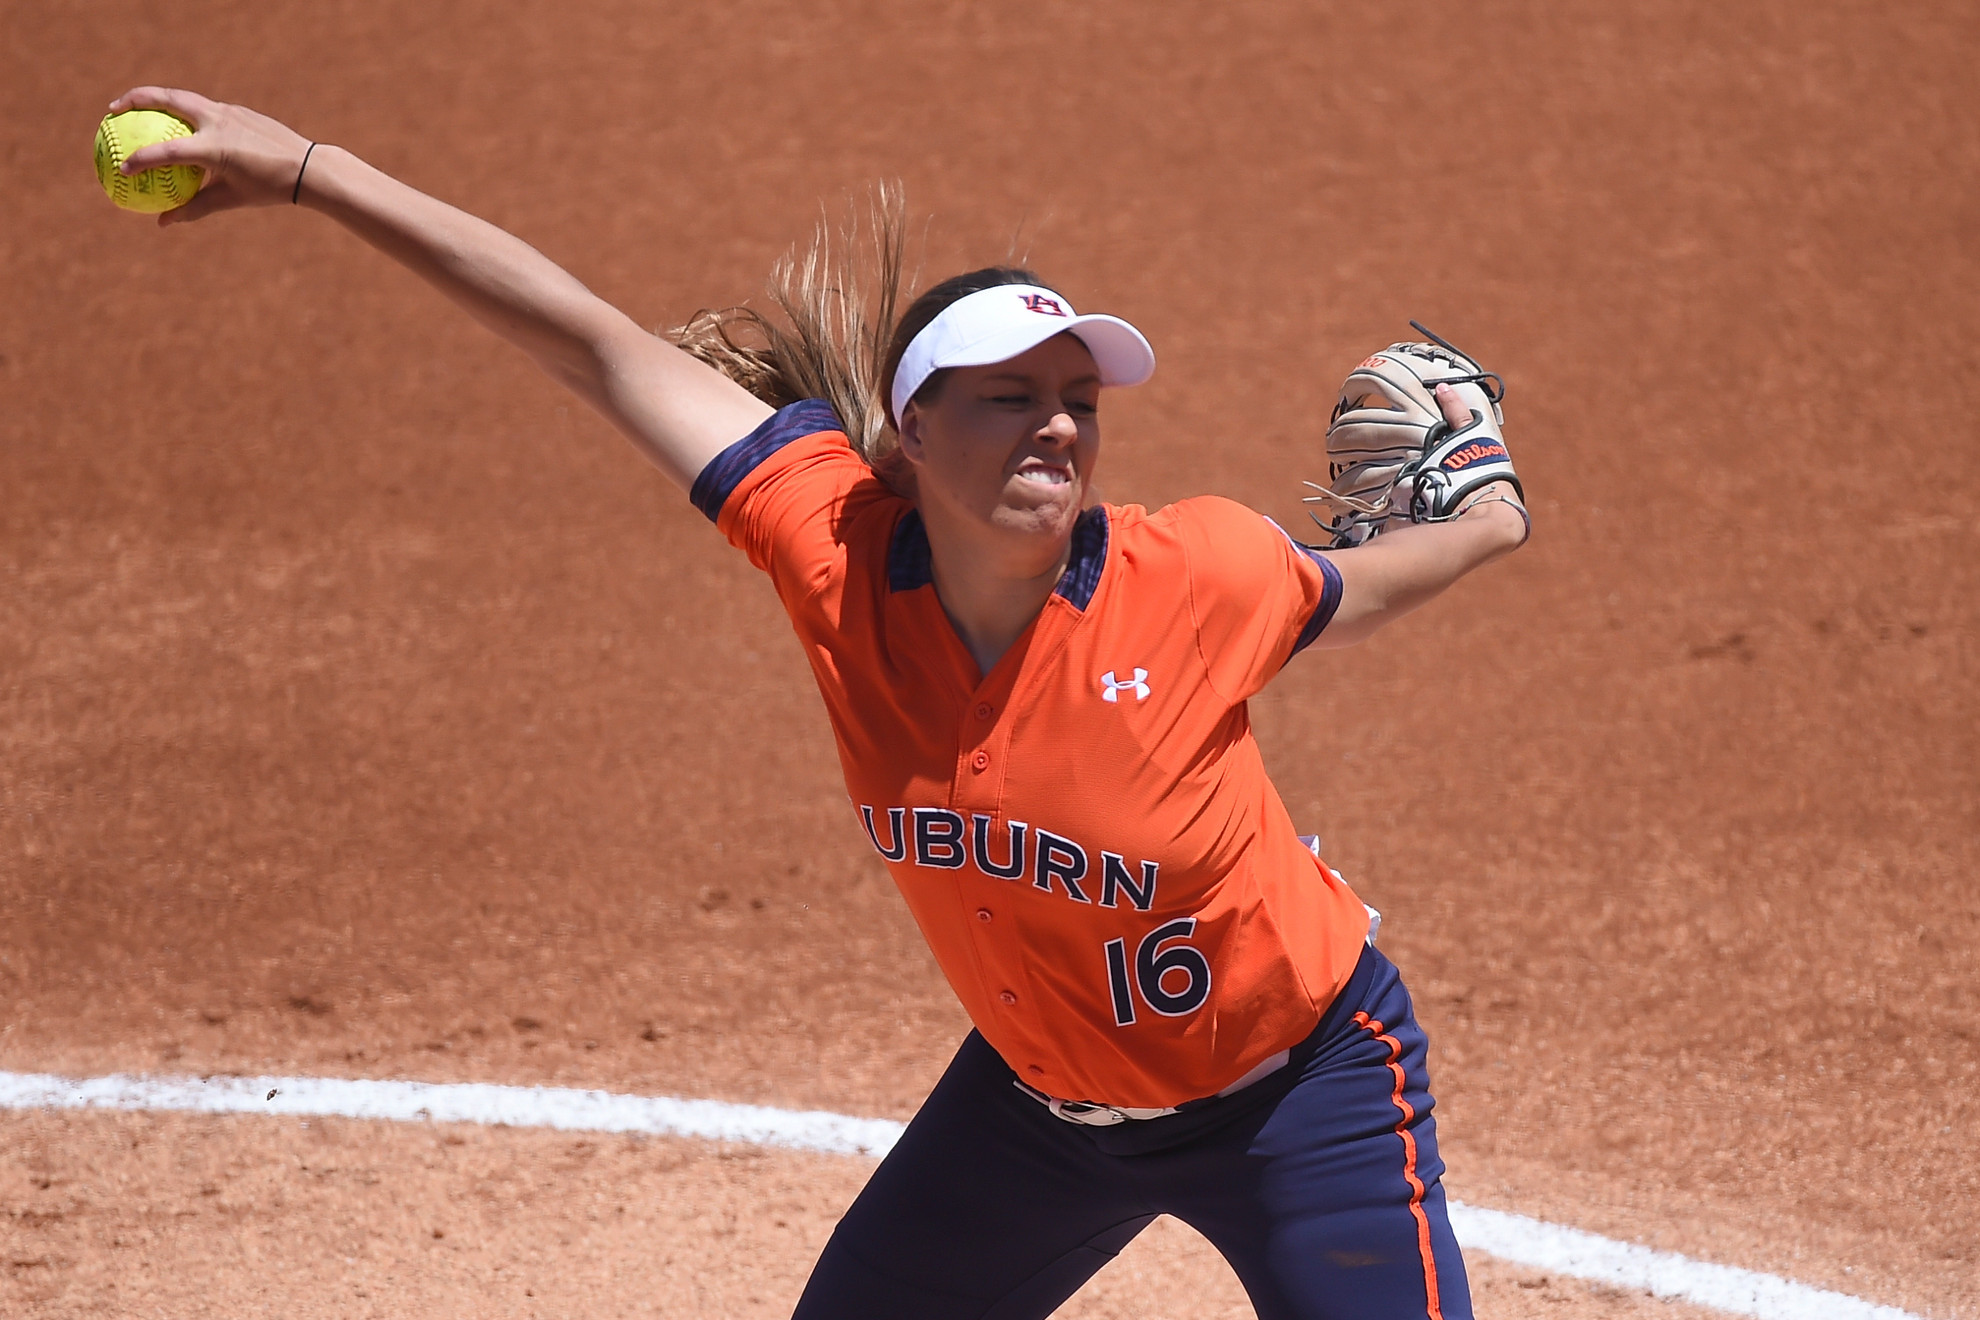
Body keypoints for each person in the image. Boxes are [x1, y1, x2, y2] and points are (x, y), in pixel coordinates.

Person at [110, 86, 1529, 1320]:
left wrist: (1485, 525)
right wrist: (309, 170)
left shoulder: (1191, 575)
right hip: (1036, 1118)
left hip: (1305, 1098)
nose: (1057, 424)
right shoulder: (829, 542)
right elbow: (590, 343)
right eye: (1006, 396)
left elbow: (1356, 587)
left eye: (1077, 399)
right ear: (909, 435)